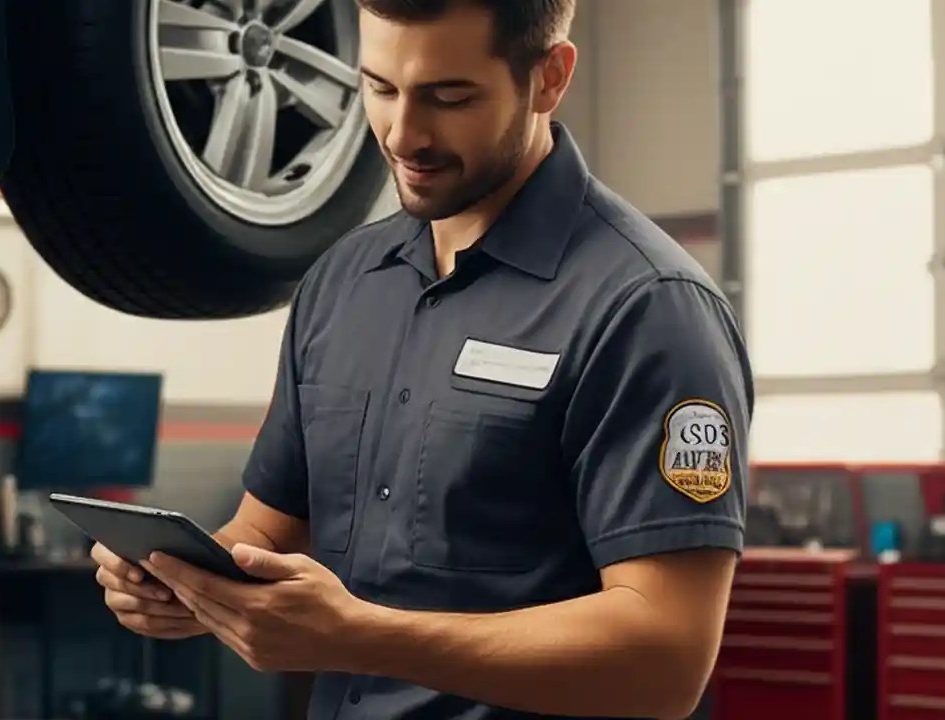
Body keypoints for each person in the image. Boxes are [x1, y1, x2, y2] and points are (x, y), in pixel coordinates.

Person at [92, 0, 753, 717]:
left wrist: (360, 637)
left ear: (549, 78)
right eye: (379, 88)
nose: (404, 134)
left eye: (450, 96)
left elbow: (666, 660)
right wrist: (185, 580)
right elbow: (269, 529)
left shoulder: (648, 308)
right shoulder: (344, 281)